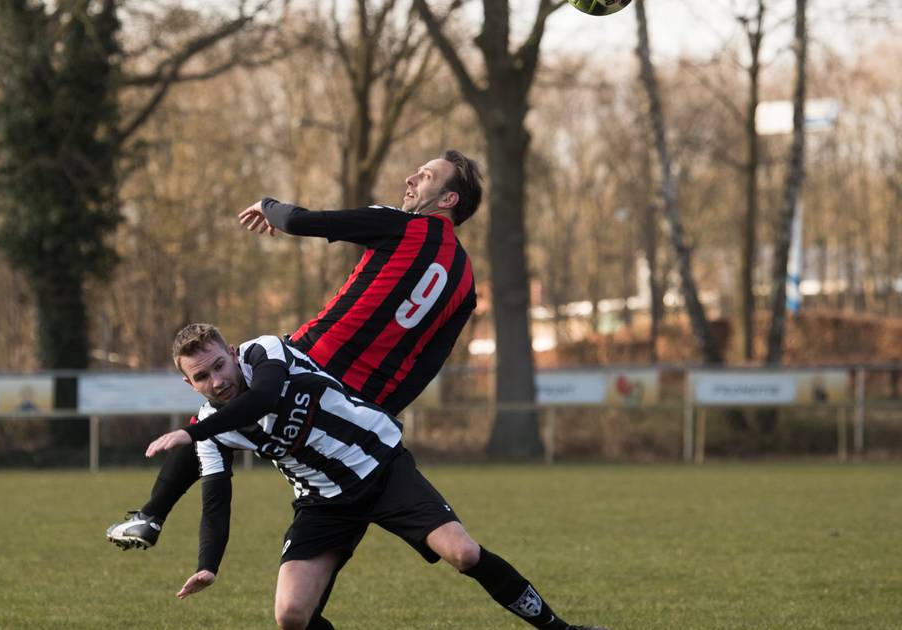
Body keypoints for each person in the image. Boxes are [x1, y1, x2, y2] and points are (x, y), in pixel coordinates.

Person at [108, 150, 481, 550]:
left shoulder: (404, 225)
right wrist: (382, 409)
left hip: (308, 359)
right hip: (356, 398)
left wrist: (269, 206)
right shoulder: (466, 282)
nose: (410, 178)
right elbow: (429, 364)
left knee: (215, 418)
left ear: (448, 200)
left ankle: (153, 518)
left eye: (424, 176)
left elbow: (306, 221)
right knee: (319, 472)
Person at [164, 324, 606, 630]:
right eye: (202, 376)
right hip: (323, 501)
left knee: (464, 554)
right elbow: (216, 500)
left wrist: (190, 430)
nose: (217, 380)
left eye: (219, 365)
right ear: (191, 384)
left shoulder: (264, 353)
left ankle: (557, 627)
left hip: (380, 465)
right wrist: (208, 566)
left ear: (232, 353)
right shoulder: (214, 430)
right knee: (291, 616)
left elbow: (261, 399)